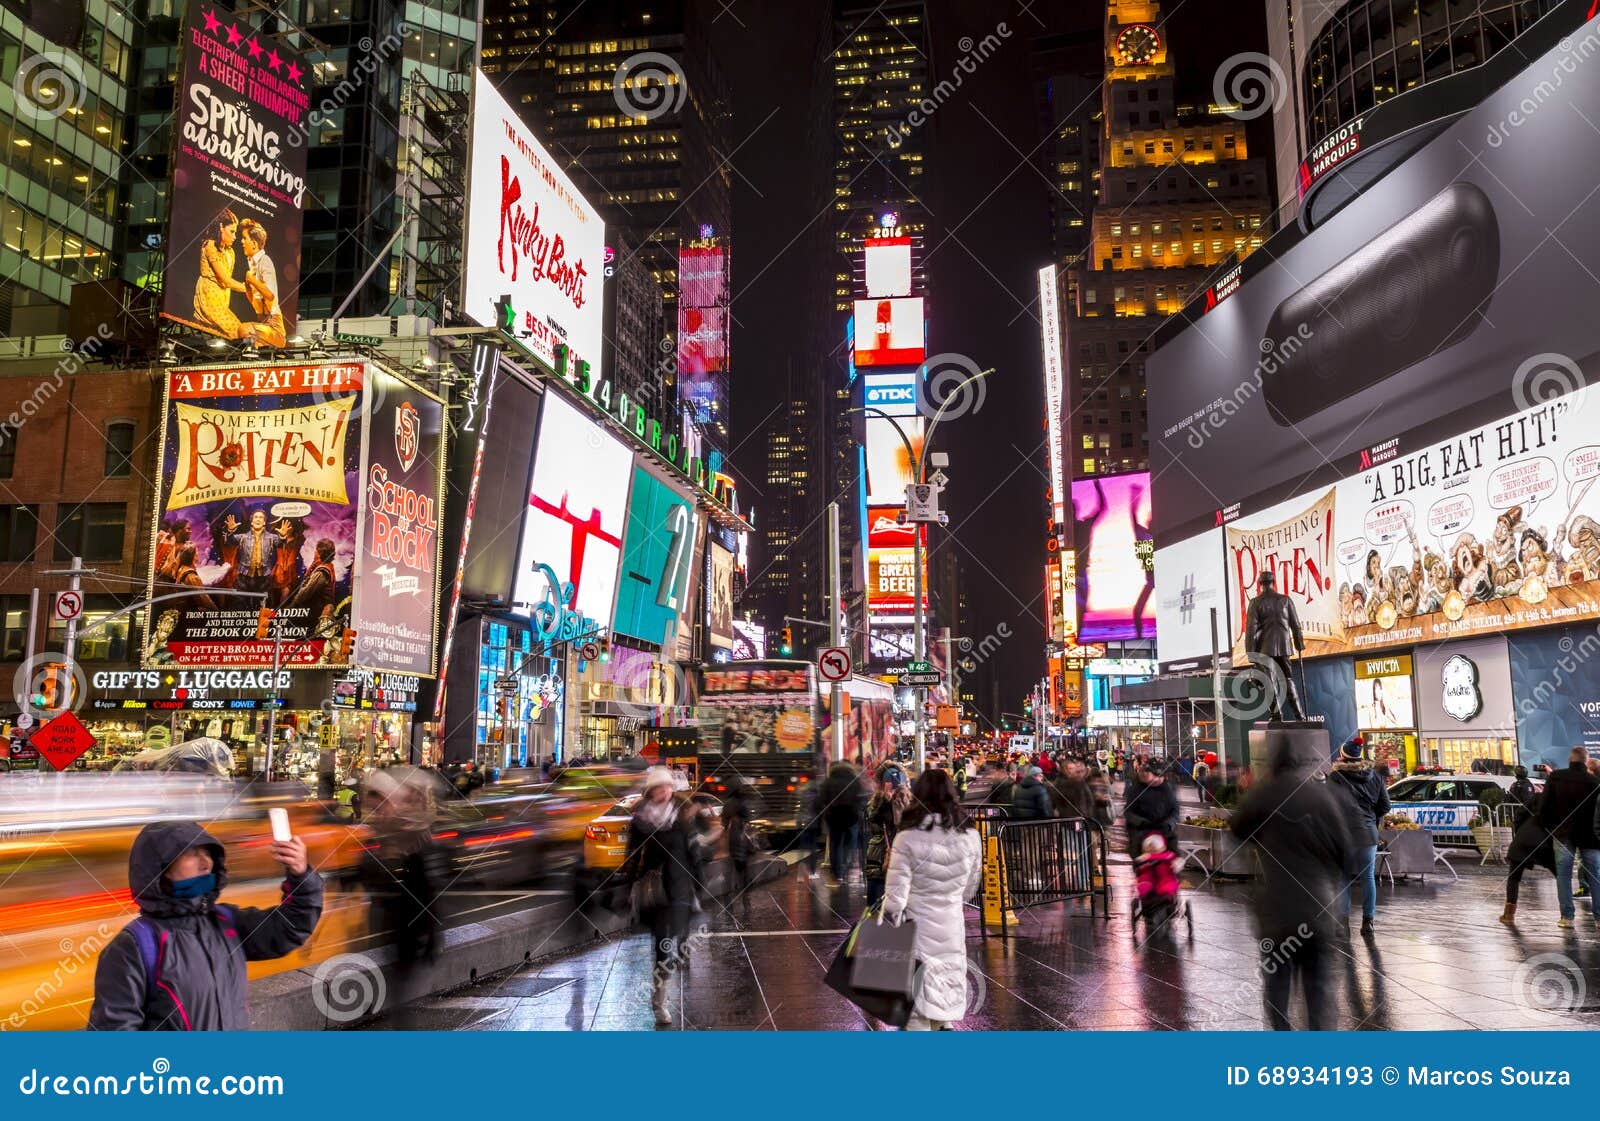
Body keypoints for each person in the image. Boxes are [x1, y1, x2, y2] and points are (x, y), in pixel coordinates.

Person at [89, 819, 323, 1029]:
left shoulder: (225, 921)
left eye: (207, 853)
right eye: (192, 853)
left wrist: (301, 875)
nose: (206, 862)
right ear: (162, 867)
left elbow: (289, 929)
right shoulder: (133, 946)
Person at [1230, 736, 1353, 1030]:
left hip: (1276, 912)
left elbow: (1237, 830)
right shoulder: (1322, 797)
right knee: (1319, 987)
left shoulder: (1264, 796)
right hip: (1318, 908)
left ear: (1273, 764)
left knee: (1277, 983)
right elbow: (1347, 854)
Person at [881, 770, 982, 1030]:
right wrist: (951, 900)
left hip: (917, 925)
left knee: (916, 994)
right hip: (952, 922)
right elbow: (971, 885)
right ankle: (943, 1023)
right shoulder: (970, 836)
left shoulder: (907, 837)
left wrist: (887, 924)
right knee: (945, 979)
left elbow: (895, 896)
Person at [360, 767, 450, 1024]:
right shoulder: (383, 832)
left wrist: (433, 932)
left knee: (402, 995)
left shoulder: (413, 833)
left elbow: (427, 886)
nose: (377, 812)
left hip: (410, 927)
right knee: (399, 992)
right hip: (392, 924)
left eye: (381, 805)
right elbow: (370, 872)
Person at [625, 767, 704, 1025]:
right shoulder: (641, 821)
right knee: (662, 948)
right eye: (659, 788)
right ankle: (659, 1001)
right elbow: (632, 855)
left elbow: (693, 850)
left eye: (668, 787)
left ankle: (662, 989)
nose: (664, 792)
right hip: (656, 892)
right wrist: (629, 884)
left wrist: (699, 882)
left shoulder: (682, 816)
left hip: (680, 888)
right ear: (651, 792)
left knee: (676, 941)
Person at [1326, 735, 1390, 936]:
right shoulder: (1376, 776)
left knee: (1343, 877)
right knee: (1368, 877)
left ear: (1343, 756)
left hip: (1343, 835)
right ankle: (1368, 922)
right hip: (1368, 835)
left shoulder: (1335, 778)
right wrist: (1371, 818)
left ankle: (1342, 923)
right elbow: (1385, 806)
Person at [1535, 746, 1600, 928]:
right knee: (1595, 876)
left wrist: (1549, 828)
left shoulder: (1556, 777)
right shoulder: (1594, 781)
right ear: (1586, 761)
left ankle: (1567, 917)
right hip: (1590, 836)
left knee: (1563, 875)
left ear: (1570, 760)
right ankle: (1599, 918)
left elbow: (1544, 806)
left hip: (1563, 834)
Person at [1244, 568, 1306, 721]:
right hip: (1284, 647)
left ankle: (1277, 715)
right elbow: (1296, 625)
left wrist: (1251, 654)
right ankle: (1300, 716)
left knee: (1269, 682)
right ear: (1273, 582)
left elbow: (1250, 630)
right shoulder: (1286, 600)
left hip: (1265, 649)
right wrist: (1299, 644)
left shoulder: (1255, 603)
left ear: (1260, 584)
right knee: (1288, 680)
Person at [193, 208, 248, 338]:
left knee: (242, 334)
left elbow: (226, 282)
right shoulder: (210, 246)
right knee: (241, 333)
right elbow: (225, 280)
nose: (235, 237)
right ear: (221, 227)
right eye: (232, 231)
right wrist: (249, 288)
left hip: (222, 301)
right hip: (209, 300)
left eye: (235, 233)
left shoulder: (230, 252)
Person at [863, 765, 910, 907]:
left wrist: (901, 803)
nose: (893, 786)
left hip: (902, 858)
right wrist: (885, 800)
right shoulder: (876, 802)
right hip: (878, 857)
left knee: (899, 905)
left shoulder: (908, 802)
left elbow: (908, 826)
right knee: (874, 903)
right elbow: (872, 819)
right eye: (889, 782)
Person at [239, 219, 286, 347]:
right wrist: (248, 286)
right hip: (263, 324)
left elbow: (270, 295)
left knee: (244, 329)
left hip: (274, 327)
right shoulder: (253, 265)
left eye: (244, 238)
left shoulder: (265, 261)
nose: (242, 241)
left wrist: (252, 280)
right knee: (238, 331)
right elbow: (254, 301)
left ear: (254, 243)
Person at [223, 510, 286, 603]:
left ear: (264, 522)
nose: (258, 519)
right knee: (241, 603)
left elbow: (280, 544)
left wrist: (282, 536)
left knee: (262, 604)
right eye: (256, 517)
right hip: (244, 578)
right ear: (251, 522)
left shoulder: (272, 538)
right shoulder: (243, 537)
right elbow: (229, 542)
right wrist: (230, 531)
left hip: (264, 578)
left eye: (261, 517)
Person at [819, 760, 865, 884]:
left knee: (835, 845)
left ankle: (837, 873)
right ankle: (846, 867)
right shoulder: (854, 781)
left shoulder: (828, 782)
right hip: (851, 817)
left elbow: (822, 800)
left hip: (833, 818)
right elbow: (860, 798)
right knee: (848, 845)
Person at [1122, 759, 1178, 856]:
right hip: (1141, 835)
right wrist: (1142, 823)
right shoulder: (1136, 788)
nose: (1157, 779)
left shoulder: (1167, 788)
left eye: (1160, 776)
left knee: (1168, 858)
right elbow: (1128, 811)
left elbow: (1174, 810)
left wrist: (1169, 824)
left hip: (1163, 833)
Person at [1135, 833, 1181, 920]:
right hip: (1149, 879)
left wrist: (1150, 857)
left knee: (1167, 887)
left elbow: (1170, 858)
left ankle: (1167, 902)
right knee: (1143, 885)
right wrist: (1143, 864)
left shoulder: (1167, 855)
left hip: (1165, 879)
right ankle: (1149, 904)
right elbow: (1140, 869)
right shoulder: (1145, 859)